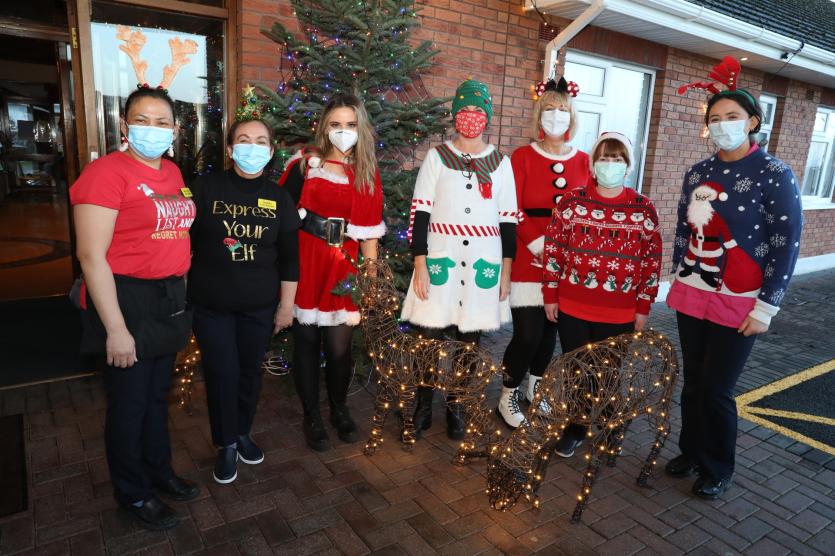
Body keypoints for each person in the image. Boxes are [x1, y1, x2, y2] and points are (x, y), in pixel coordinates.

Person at [666, 62, 803, 500]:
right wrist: (676, 274)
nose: (723, 125)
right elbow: (684, 229)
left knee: (717, 388)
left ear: (752, 122)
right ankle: (690, 451)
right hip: (693, 291)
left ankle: (717, 465)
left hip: (741, 298)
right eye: (715, 118)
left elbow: (786, 243)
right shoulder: (697, 173)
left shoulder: (774, 173)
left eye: (732, 117)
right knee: (693, 381)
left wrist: (767, 307)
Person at [71, 86, 199, 530]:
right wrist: (116, 329)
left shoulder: (174, 172)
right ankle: (133, 492)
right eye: (142, 120)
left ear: (175, 130)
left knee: (156, 397)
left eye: (162, 122)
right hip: (124, 299)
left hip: (167, 299)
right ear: (124, 125)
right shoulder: (105, 173)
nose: (153, 129)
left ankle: (159, 472)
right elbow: (91, 257)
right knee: (129, 404)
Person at [400, 79, 518, 440]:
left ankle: (457, 406)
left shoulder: (501, 164)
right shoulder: (437, 158)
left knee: (470, 341)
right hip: (442, 259)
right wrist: (420, 262)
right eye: (465, 110)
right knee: (429, 337)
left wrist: (506, 272)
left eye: (478, 111)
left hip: (483, 261)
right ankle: (422, 407)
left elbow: (508, 220)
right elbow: (420, 212)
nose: (471, 116)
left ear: (488, 117)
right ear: (455, 115)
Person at [188, 116, 300, 484]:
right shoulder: (205, 188)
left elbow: (290, 258)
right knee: (223, 373)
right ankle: (225, 443)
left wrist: (286, 306)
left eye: (261, 141)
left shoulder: (279, 198)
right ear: (230, 148)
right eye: (244, 139)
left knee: (250, 373)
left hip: (259, 308)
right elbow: (182, 244)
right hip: (212, 306)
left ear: (270, 150)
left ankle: (241, 433)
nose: (252, 147)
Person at [542, 131, 662, 457]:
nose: (611, 164)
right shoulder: (572, 202)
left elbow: (651, 262)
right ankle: (576, 427)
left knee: (608, 373)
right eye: (604, 158)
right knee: (578, 371)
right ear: (593, 164)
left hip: (619, 311)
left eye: (618, 159)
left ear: (628, 165)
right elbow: (554, 249)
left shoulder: (643, 208)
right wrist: (550, 294)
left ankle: (609, 421)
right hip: (573, 307)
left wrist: (643, 306)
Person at [278, 93, 384, 452]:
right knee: (306, 343)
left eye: (350, 124)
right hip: (307, 263)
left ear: (361, 128)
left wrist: (370, 280)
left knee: (340, 348)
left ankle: (339, 408)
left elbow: (369, 234)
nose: (343, 131)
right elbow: (281, 220)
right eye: (336, 124)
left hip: (344, 267)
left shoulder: (366, 172)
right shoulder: (305, 165)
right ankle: (312, 415)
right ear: (325, 127)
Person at [498, 77, 590, 428]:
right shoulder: (522, 157)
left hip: (565, 261)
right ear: (539, 114)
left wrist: (568, 250)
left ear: (572, 116)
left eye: (562, 109)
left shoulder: (584, 161)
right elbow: (511, 207)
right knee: (528, 334)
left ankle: (535, 387)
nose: (556, 115)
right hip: (528, 256)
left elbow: (586, 211)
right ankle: (507, 394)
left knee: (550, 331)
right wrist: (538, 243)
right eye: (549, 108)